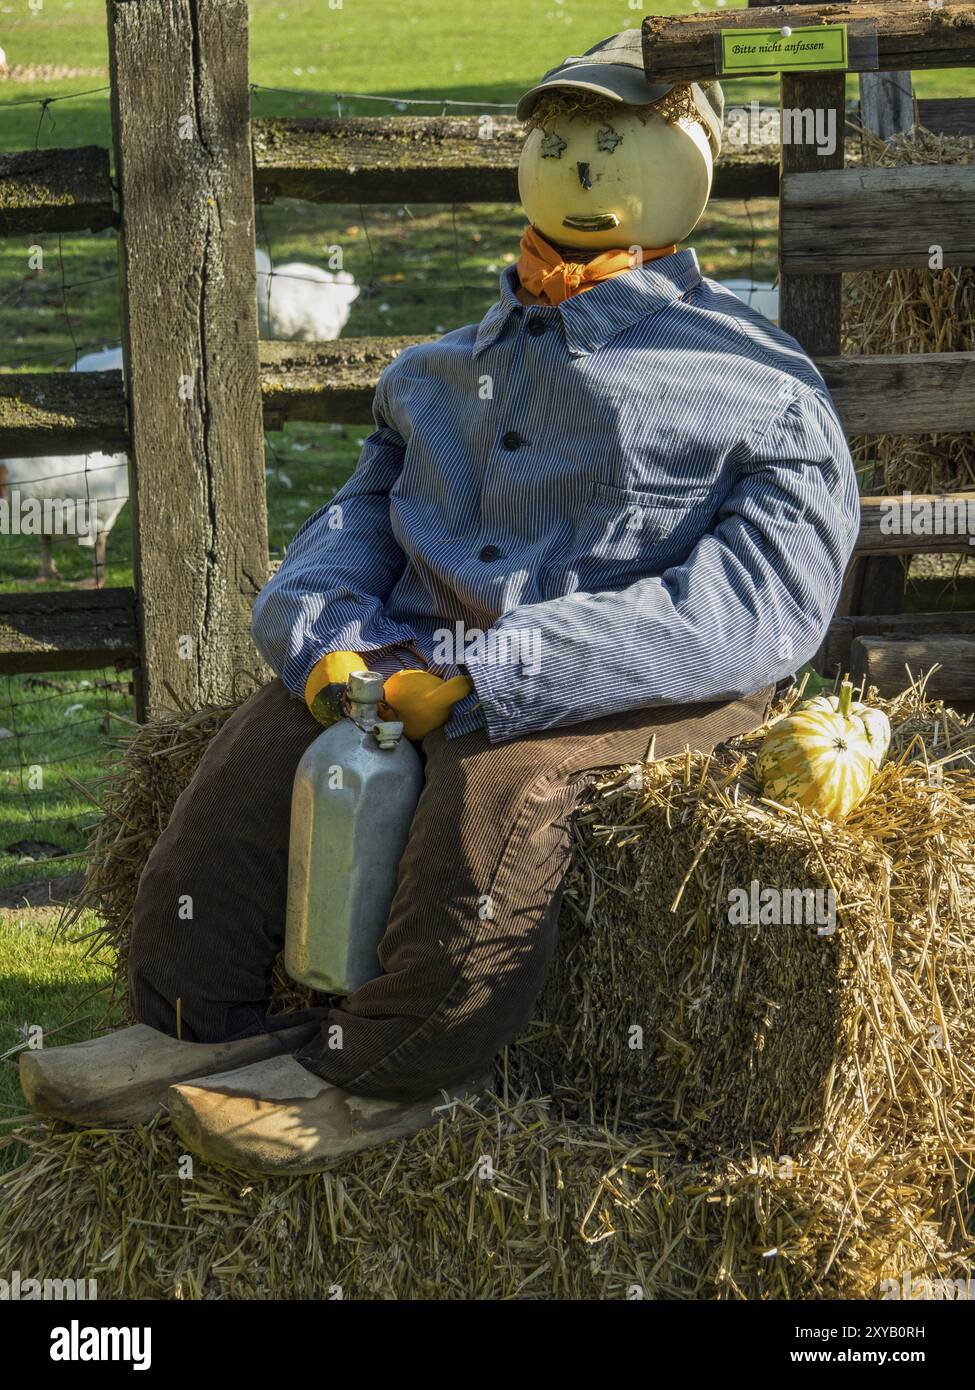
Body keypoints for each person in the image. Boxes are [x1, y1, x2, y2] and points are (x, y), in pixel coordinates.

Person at [21, 31, 859, 1173]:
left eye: (609, 140)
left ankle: (384, 1067)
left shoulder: (757, 382)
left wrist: (495, 678)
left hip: (651, 671)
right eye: (554, 139)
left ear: (685, 161)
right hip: (429, 646)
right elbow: (354, 528)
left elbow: (762, 600)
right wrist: (328, 647)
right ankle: (187, 1018)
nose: (574, 164)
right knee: (263, 741)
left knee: (498, 783)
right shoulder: (437, 370)